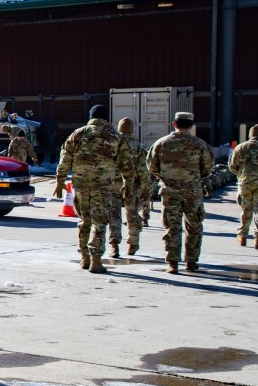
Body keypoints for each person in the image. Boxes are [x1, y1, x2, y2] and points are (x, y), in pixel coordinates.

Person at [54, 104, 133, 274]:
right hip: (103, 186)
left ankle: (84, 257)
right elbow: (126, 164)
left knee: (84, 221)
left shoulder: (78, 134)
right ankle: (96, 261)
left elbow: (65, 157)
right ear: (106, 118)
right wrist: (128, 183)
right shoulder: (116, 137)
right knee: (99, 222)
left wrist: (60, 181)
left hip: (80, 184)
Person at [146, 112, 214, 274]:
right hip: (193, 192)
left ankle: (173, 262)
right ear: (191, 126)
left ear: (174, 124)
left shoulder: (161, 144)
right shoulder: (200, 144)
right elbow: (208, 168)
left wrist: (167, 178)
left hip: (170, 192)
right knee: (194, 226)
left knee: (172, 227)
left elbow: (152, 166)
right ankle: (191, 261)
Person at [108, 118, 150, 257]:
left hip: (114, 184)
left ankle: (114, 245)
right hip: (133, 186)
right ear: (132, 130)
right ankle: (133, 243)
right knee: (132, 215)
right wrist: (146, 189)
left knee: (114, 215)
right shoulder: (138, 147)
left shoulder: (114, 144)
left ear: (119, 129)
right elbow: (143, 171)